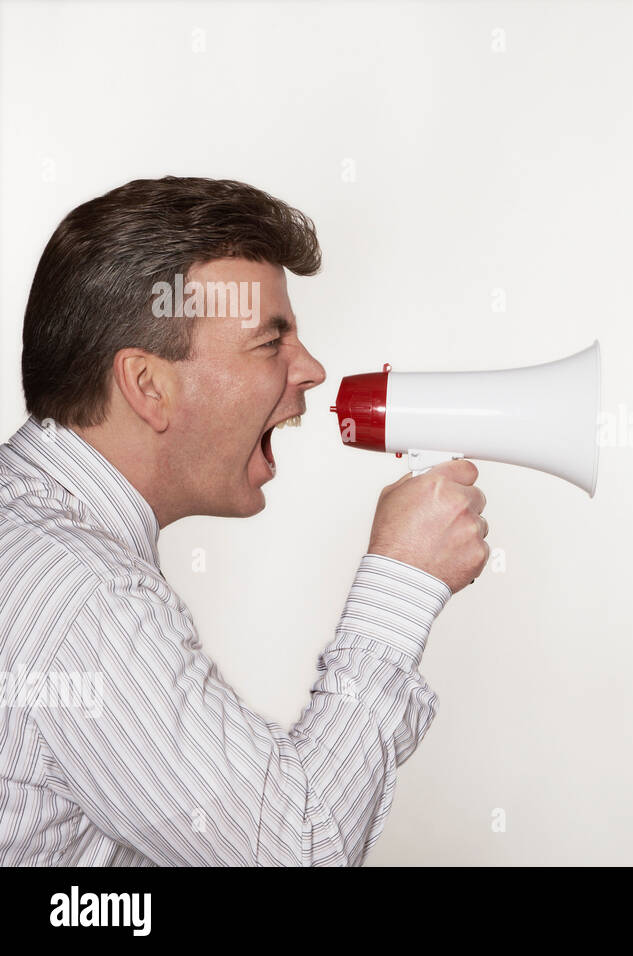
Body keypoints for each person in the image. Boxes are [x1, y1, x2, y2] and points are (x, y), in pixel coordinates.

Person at [0, 176, 489, 865]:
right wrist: (402, 581)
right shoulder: (85, 601)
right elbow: (299, 849)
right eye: (271, 342)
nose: (312, 370)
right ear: (148, 386)